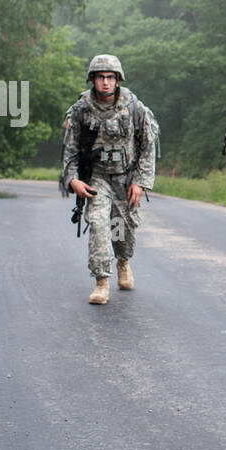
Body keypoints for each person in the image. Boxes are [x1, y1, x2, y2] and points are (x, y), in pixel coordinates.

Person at [59, 54, 158, 305]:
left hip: (126, 177)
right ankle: (101, 281)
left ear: (118, 80)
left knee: (124, 230)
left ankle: (124, 262)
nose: (105, 82)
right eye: (101, 77)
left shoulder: (134, 107)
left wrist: (140, 181)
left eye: (110, 77)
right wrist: (73, 180)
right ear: (93, 79)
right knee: (99, 224)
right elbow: (70, 150)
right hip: (97, 178)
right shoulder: (81, 110)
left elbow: (148, 145)